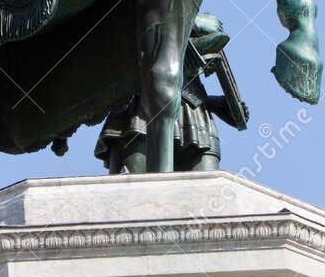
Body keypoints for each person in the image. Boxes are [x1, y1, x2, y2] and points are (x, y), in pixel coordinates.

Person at [95, 12, 249, 173]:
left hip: (194, 115)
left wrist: (213, 102)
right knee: (131, 188)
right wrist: (192, 22)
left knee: (207, 189)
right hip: (140, 112)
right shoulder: (132, 4)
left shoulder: (203, 16)